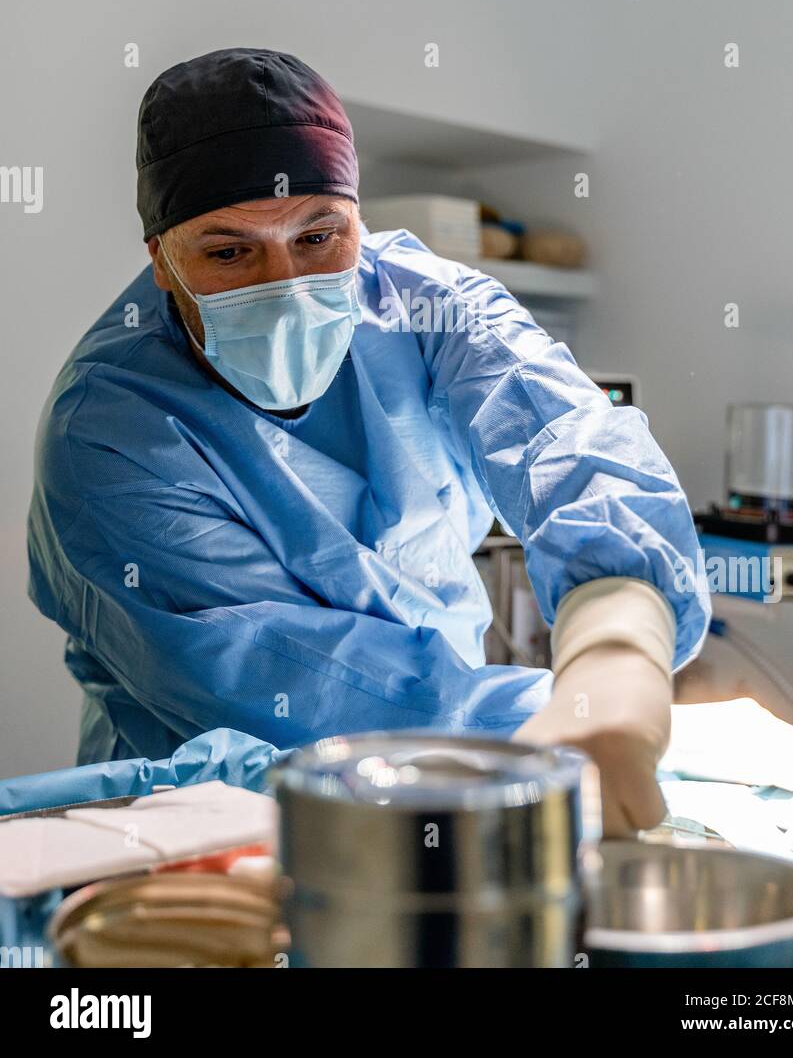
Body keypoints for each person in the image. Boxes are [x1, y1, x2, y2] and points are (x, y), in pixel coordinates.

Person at [28, 48, 710, 836]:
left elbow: (572, 446)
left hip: (462, 772)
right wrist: (545, 715)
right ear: (161, 260)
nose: (282, 286)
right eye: (227, 252)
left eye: (319, 237)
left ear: (359, 218)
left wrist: (617, 647)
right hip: (199, 825)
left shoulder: (431, 311)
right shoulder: (110, 430)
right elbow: (283, 690)